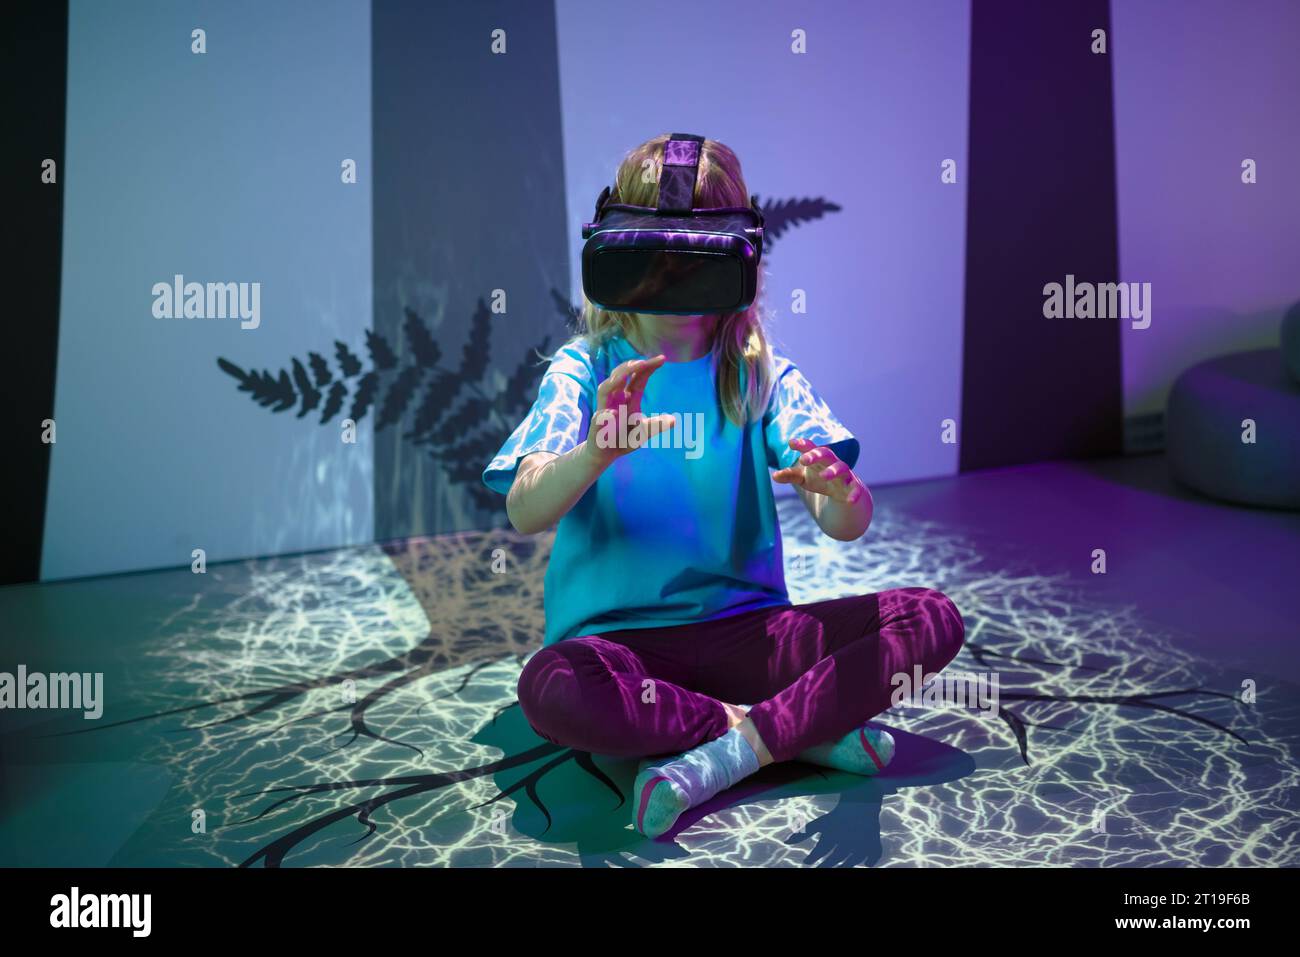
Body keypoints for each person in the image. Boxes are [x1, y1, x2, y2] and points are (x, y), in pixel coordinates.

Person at [482, 133, 965, 839]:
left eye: (699, 266)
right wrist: (594, 453)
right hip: (619, 648)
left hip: (752, 638)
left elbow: (841, 520)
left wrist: (842, 492)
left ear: (739, 263)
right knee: (551, 689)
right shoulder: (583, 368)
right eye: (659, 262)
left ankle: (724, 756)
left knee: (929, 619)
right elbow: (524, 508)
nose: (678, 288)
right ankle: (785, 730)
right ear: (619, 254)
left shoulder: (757, 370)